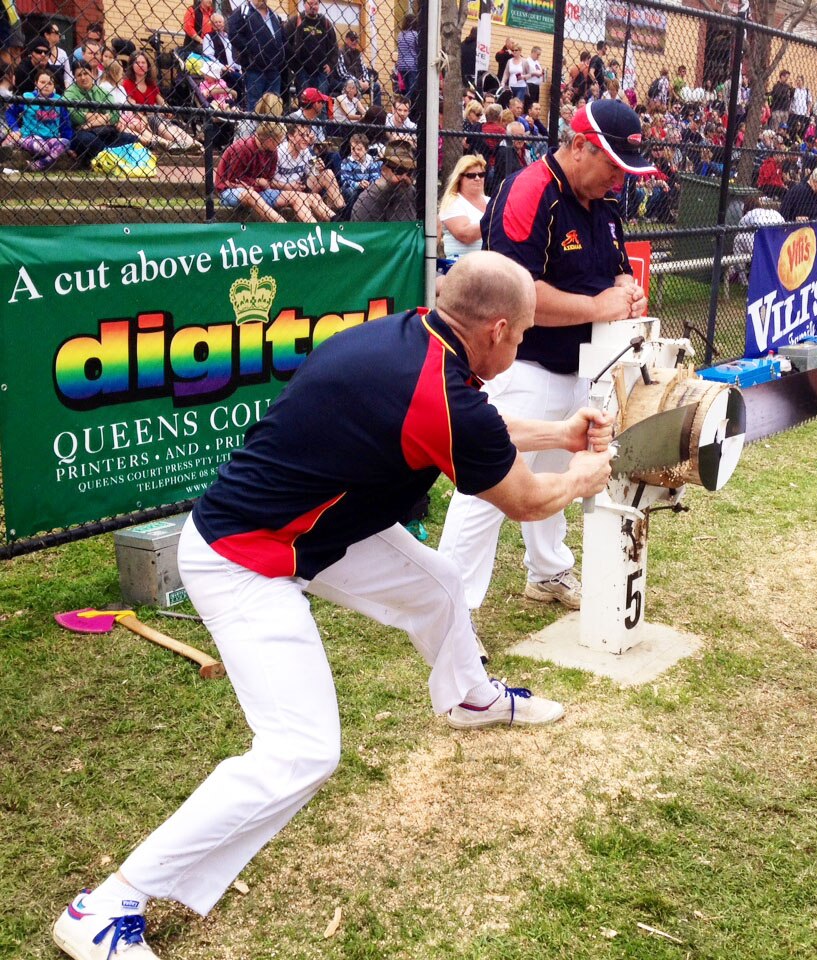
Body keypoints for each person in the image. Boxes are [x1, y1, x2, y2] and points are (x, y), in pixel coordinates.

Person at [51, 251, 614, 960]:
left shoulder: (406, 334)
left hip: (304, 533)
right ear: (498, 329)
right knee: (301, 752)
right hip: (242, 560)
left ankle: (468, 696)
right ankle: (105, 907)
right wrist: (589, 472)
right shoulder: (439, 392)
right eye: (525, 334)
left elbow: (469, 427)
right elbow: (525, 495)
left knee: (437, 584)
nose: (525, 344)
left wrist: (557, 436)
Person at [438, 99, 654, 612]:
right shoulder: (529, 189)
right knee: (487, 485)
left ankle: (549, 573)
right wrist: (597, 304)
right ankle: (451, 605)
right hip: (521, 363)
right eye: (614, 167)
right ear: (580, 146)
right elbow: (513, 293)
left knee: (560, 475)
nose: (619, 182)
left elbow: (619, 266)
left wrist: (627, 288)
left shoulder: (603, 200)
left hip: (583, 362)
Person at [63, 61, 140, 166]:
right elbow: (75, 117)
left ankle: (106, 157)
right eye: (79, 75)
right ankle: (109, 158)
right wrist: (104, 117)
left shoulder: (102, 92)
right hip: (81, 133)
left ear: (91, 73)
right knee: (89, 141)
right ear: (75, 77)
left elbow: (115, 115)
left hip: (104, 131)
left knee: (132, 139)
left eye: (86, 73)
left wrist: (91, 123)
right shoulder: (70, 92)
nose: (83, 77)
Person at [122, 52, 197, 151]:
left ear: (148, 65)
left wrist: (167, 110)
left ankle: (195, 144)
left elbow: (161, 100)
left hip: (155, 116)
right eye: (137, 62)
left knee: (173, 127)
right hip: (142, 118)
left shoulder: (151, 84)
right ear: (132, 65)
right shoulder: (128, 83)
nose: (140, 65)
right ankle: (182, 143)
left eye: (143, 62)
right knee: (160, 122)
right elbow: (134, 107)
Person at [215, 120, 289, 222]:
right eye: (279, 141)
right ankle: (283, 225)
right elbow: (232, 179)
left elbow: (268, 178)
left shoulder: (272, 151)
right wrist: (256, 182)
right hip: (230, 190)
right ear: (270, 140)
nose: (279, 144)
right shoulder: (244, 147)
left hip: (258, 190)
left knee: (296, 197)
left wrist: (258, 184)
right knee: (251, 195)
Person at [6, 69, 71, 169]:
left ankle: (38, 165)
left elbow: (65, 124)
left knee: (65, 142)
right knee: (42, 148)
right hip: (31, 137)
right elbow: (10, 112)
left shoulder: (59, 101)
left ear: (54, 86)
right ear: (36, 84)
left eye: (50, 83)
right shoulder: (27, 97)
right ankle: (19, 141)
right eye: (42, 82)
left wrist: (68, 146)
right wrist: (15, 130)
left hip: (50, 138)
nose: (46, 85)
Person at [228, 0, 286, 110]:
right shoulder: (243, 12)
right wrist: (250, 51)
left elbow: (282, 38)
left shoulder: (274, 16)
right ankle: (254, 127)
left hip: (274, 68)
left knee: (274, 106)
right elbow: (233, 34)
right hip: (255, 69)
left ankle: (270, 127)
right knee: (255, 105)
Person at [350, 138, 416, 221]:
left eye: (410, 172)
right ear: (384, 170)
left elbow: (437, 227)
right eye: (399, 171)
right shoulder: (367, 203)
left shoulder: (411, 192)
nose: (405, 177)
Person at [439, 153, 489, 259]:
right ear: (459, 178)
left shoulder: (491, 201)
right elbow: (465, 235)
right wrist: (494, 222)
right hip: (461, 263)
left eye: (481, 175)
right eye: (471, 175)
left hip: (489, 261)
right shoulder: (453, 202)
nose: (477, 178)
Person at [286, 0, 337, 96]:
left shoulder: (325, 23)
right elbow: (285, 43)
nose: (313, 6)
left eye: (316, 4)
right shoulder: (296, 20)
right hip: (302, 70)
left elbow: (334, 47)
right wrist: (294, 65)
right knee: (306, 102)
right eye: (310, 3)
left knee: (321, 103)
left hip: (321, 72)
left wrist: (331, 64)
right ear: (304, 4)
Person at [395, 14, 419, 107]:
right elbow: (417, 49)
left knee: (406, 88)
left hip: (401, 65)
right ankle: (405, 104)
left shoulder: (400, 35)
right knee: (412, 89)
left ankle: (404, 103)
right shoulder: (414, 34)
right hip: (412, 65)